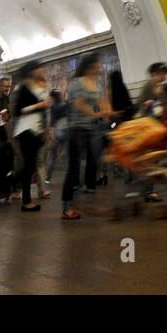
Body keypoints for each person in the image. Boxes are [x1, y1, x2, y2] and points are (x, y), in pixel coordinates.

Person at [61, 53, 113, 220]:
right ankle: (66, 207)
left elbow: (101, 103)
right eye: (98, 63)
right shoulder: (78, 83)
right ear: (91, 65)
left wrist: (108, 111)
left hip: (91, 129)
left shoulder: (96, 85)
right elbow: (79, 103)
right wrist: (96, 114)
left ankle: (89, 192)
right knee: (73, 168)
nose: (100, 66)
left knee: (94, 160)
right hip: (76, 129)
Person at [12, 65, 50, 212]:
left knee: (30, 166)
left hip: (35, 131)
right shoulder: (23, 88)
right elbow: (18, 110)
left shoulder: (37, 87)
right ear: (31, 71)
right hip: (26, 130)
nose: (40, 70)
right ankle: (26, 201)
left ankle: (16, 187)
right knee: (28, 166)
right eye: (37, 68)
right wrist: (37, 105)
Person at [44, 90, 68, 183]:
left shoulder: (53, 106)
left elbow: (52, 122)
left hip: (56, 132)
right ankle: (70, 178)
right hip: (67, 131)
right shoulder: (66, 103)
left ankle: (47, 178)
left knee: (51, 157)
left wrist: (51, 134)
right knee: (69, 158)